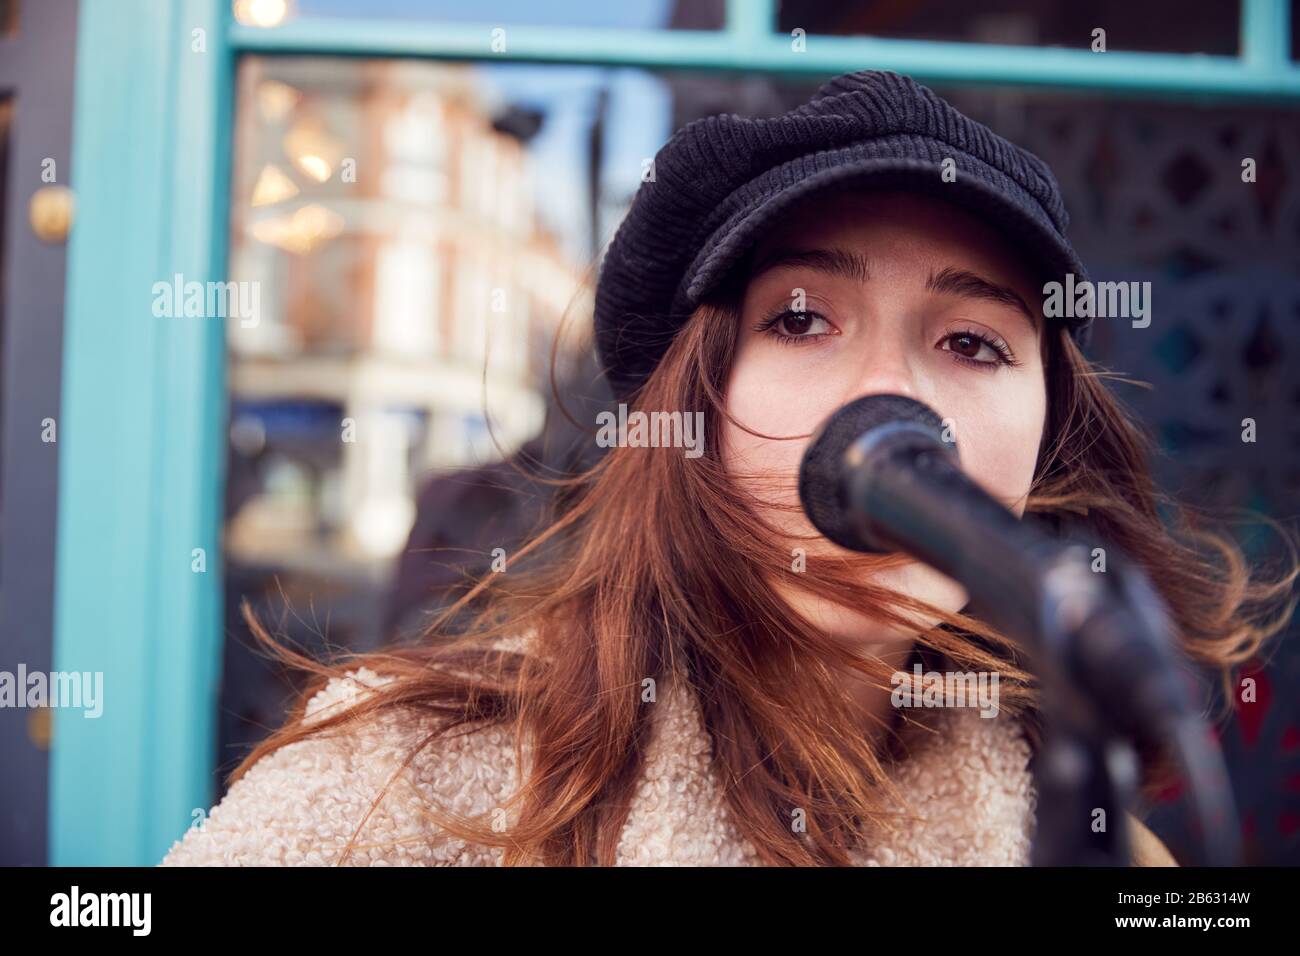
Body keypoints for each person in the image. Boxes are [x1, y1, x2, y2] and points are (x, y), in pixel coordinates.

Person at [161, 70, 1295, 867]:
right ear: (693, 414)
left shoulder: (1091, 833)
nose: (888, 401)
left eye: (971, 343)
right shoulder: (399, 787)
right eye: (802, 321)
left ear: (1043, 442)